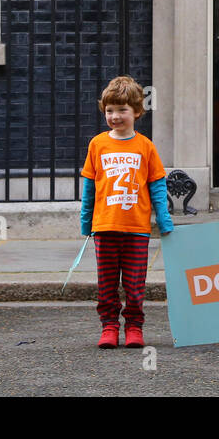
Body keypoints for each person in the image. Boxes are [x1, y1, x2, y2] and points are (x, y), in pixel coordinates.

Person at [80, 75, 173, 349]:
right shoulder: (97, 144)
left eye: (122, 110)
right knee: (106, 284)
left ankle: (134, 326)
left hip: (136, 229)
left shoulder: (145, 146)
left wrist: (164, 221)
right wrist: (86, 222)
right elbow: (89, 188)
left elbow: (157, 186)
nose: (115, 116)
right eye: (110, 110)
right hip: (105, 227)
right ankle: (109, 326)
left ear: (137, 111)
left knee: (134, 286)